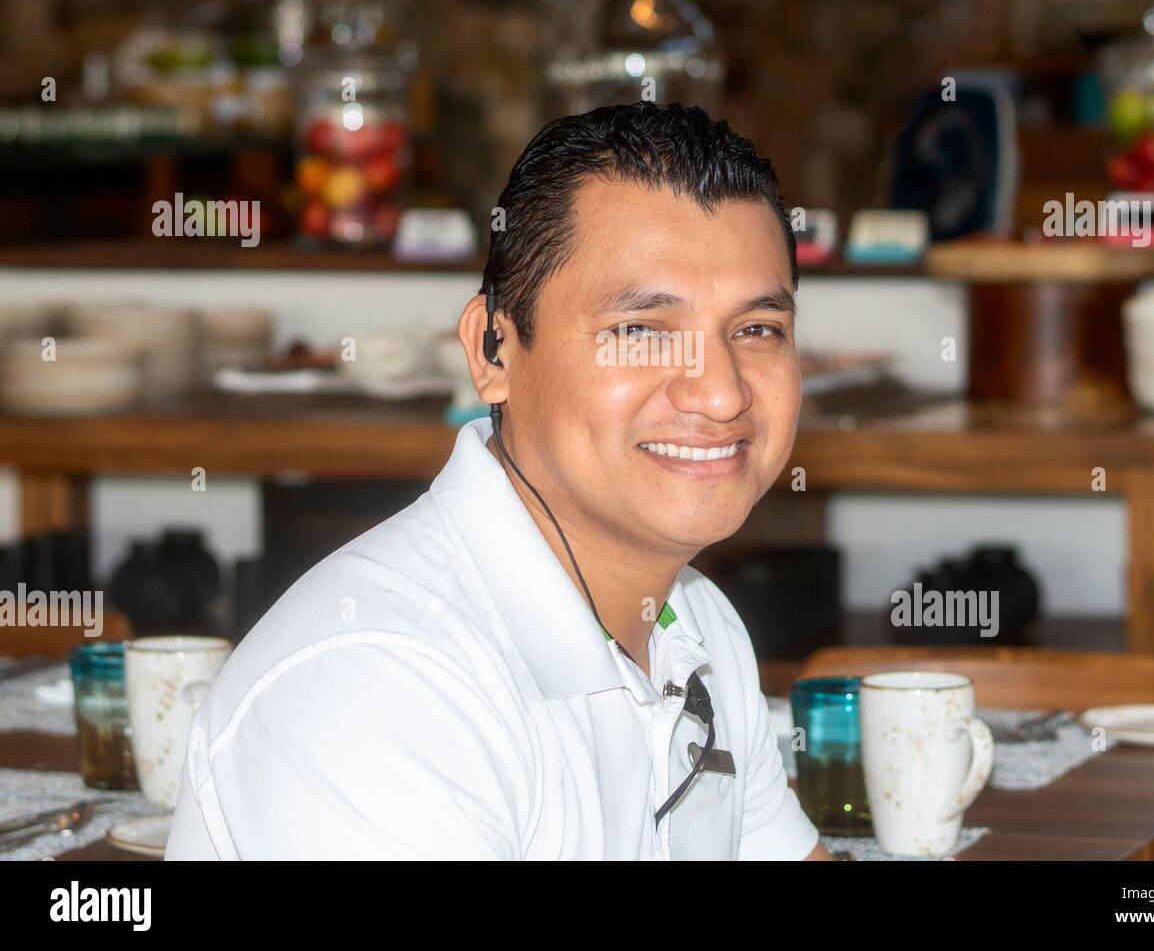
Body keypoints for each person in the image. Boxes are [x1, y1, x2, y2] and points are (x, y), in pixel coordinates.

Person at [166, 102, 829, 860]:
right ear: (492, 351)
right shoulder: (382, 688)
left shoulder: (696, 624)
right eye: (641, 331)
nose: (721, 394)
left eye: (756, 330)